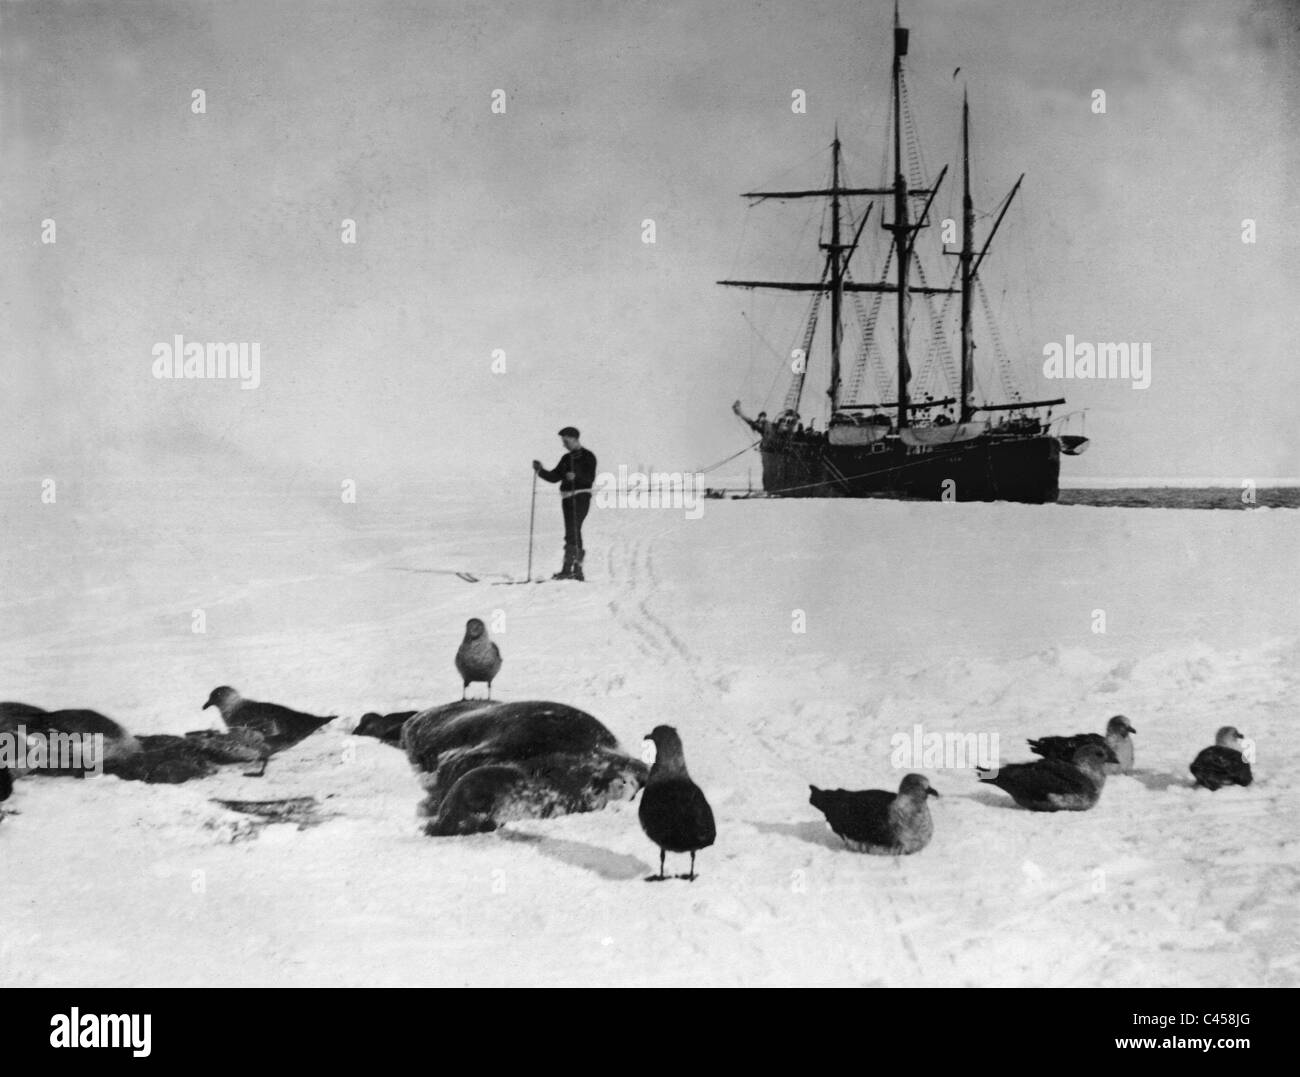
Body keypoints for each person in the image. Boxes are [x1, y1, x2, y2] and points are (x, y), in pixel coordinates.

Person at [533, 427, 597, 581]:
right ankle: (574, 570)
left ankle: (571, 570)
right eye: (563, 442)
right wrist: (540, 471)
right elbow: (555, 477)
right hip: (567, 499)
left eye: (566, 441)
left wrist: (576, 477)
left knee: (573, 530)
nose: (564, 445)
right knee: (573, 531)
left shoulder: (588, 457)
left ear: (575, 439)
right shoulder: (566, 459)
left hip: (580, 498)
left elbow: (589, 479)